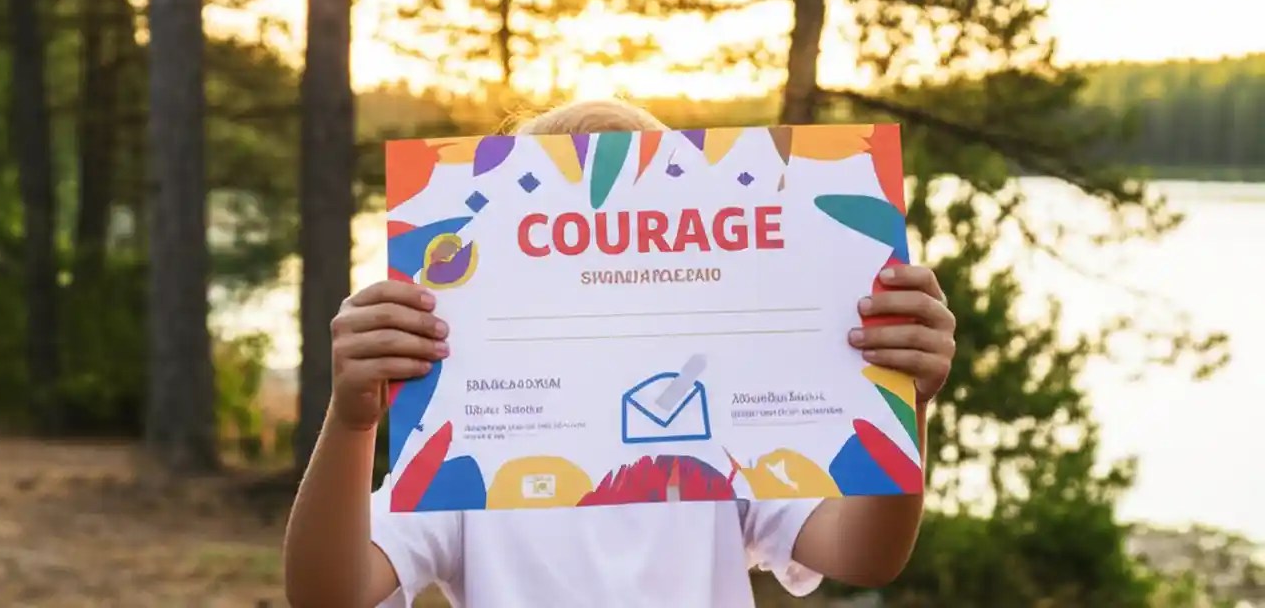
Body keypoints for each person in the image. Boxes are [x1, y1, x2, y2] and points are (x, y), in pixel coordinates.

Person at [283, 100, 957, 608]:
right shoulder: (470, 450)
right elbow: (327, 592)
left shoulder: (724, 436)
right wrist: (352, 423)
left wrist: (902, 406)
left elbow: (866, 555)